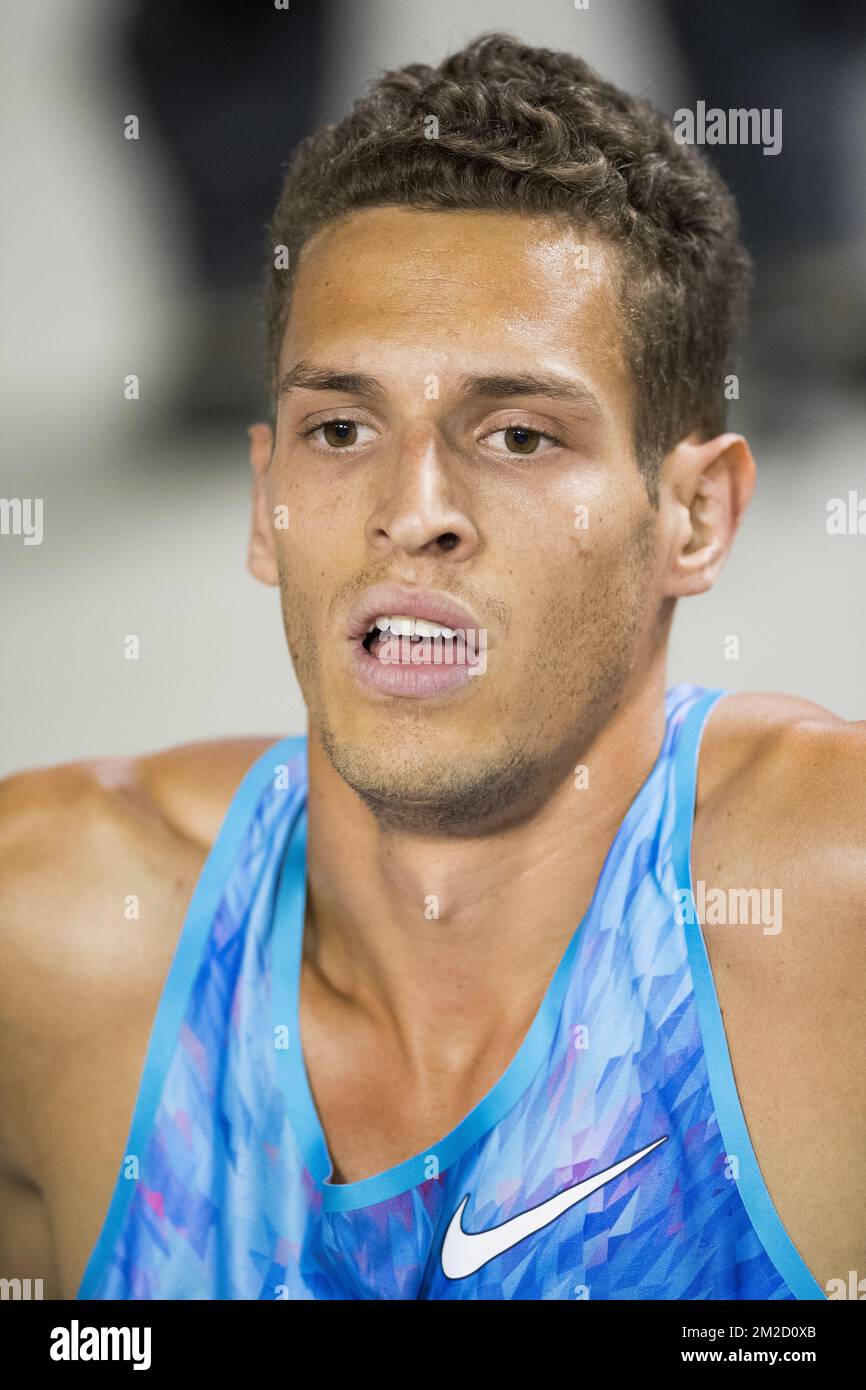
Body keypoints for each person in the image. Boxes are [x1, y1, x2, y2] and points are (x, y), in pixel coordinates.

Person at [1, 32, 863, 1302]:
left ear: (695, 516)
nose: (413, 509)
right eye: (341, 429)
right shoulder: (54, 936)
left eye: (517, 433)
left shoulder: (827, 917)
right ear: (264, 501)